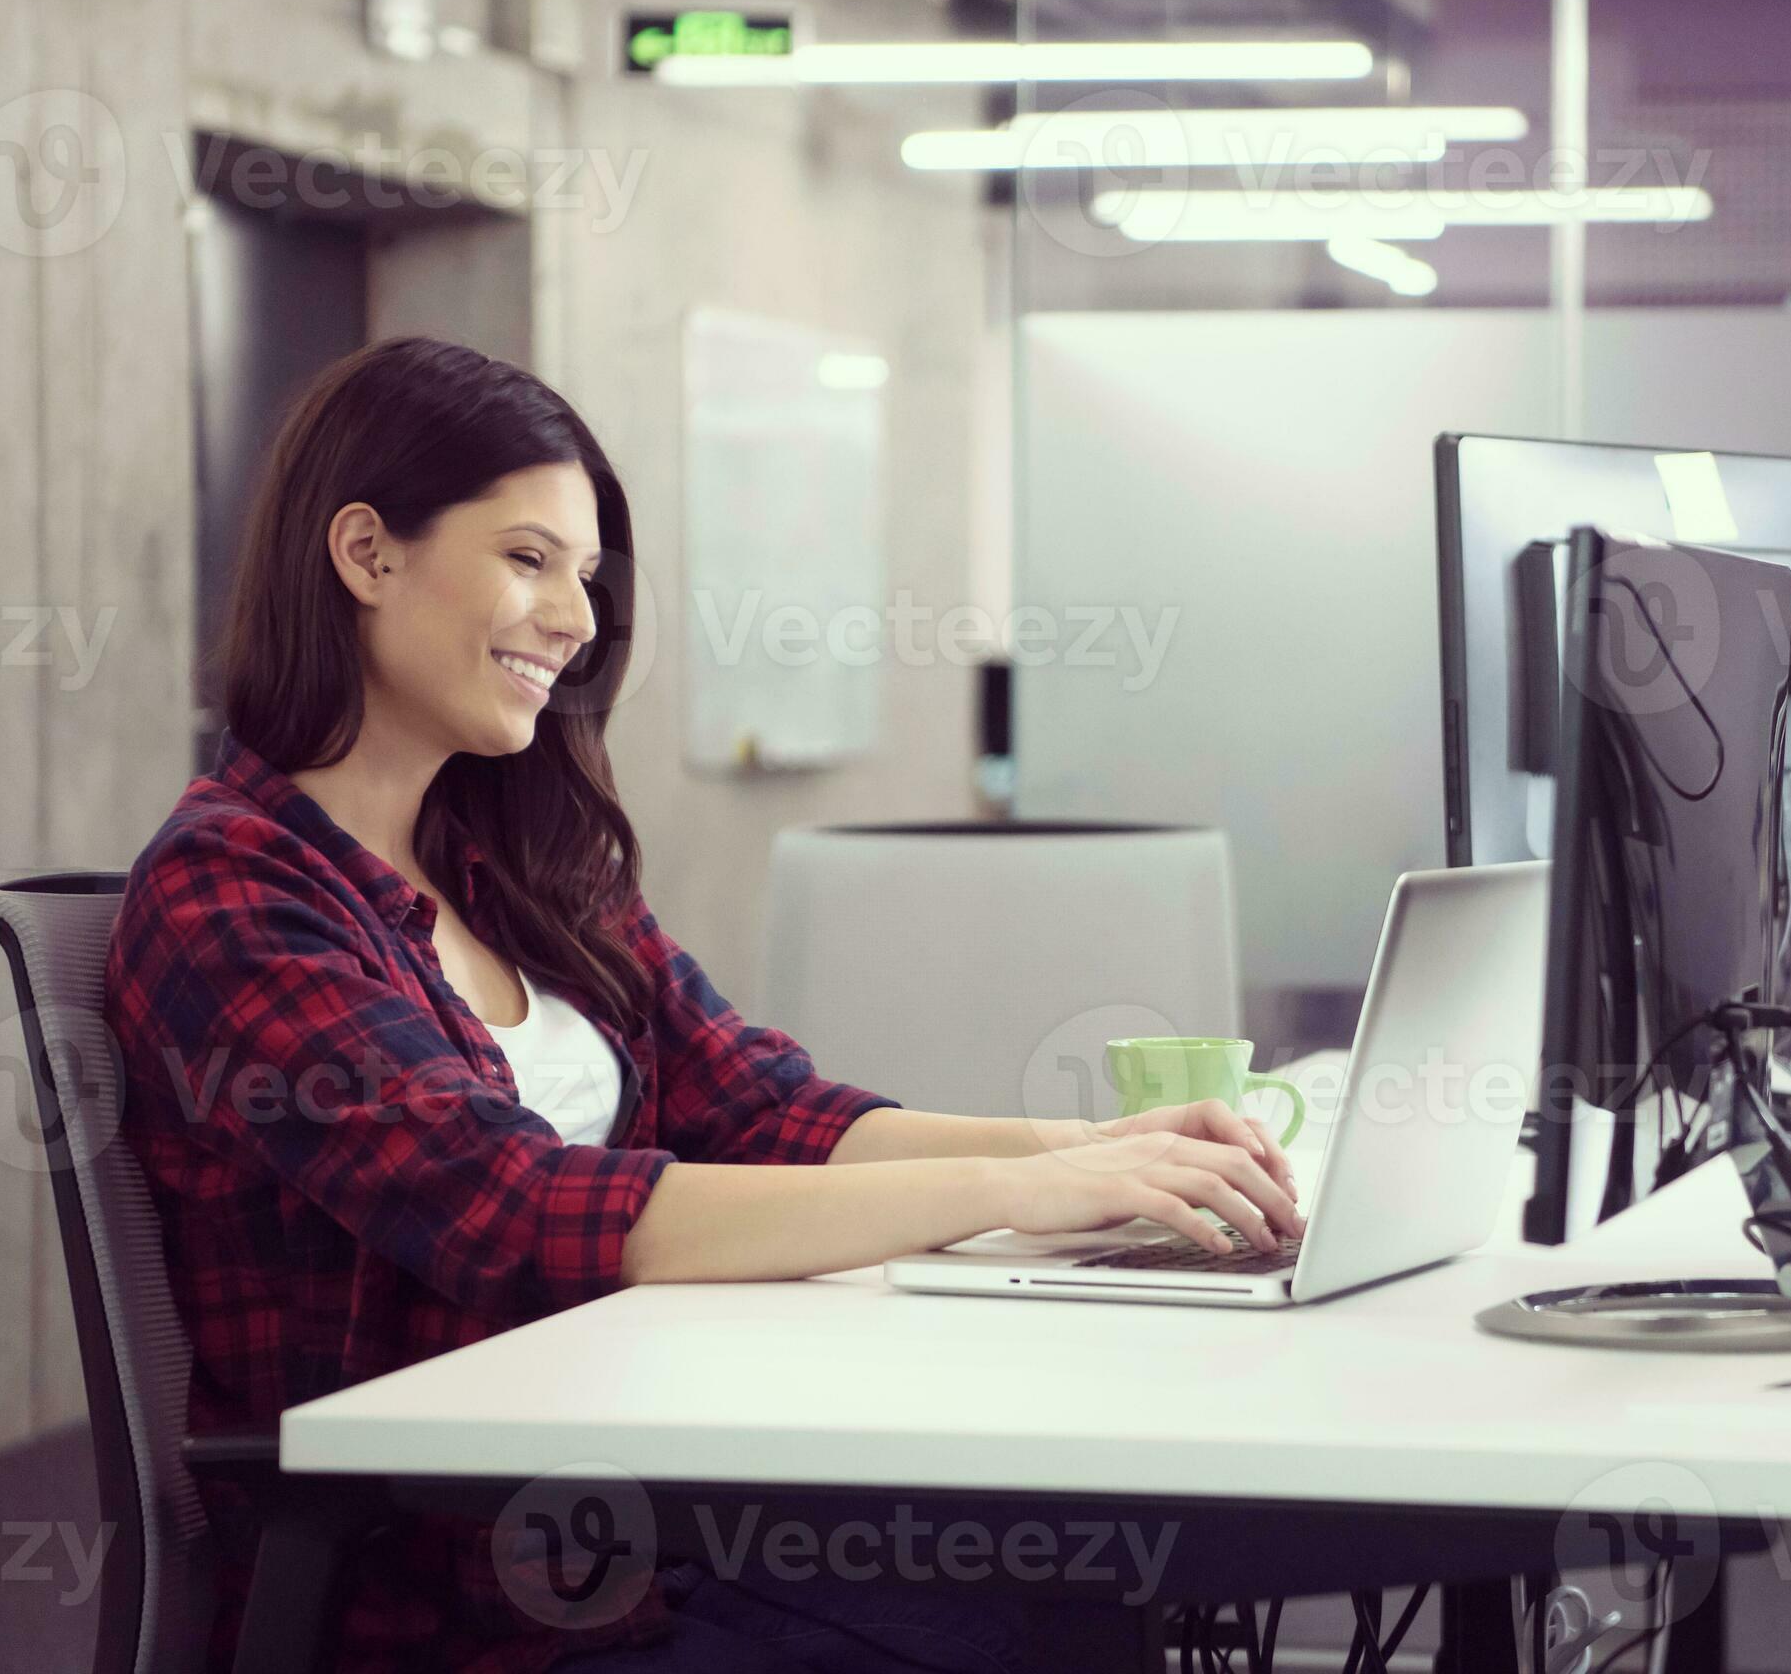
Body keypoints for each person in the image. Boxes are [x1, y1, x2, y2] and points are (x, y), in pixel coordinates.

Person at [104, 338, 1301, 1673]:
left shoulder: (515, 867)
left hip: (654, 1516)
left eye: (586, 576)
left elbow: (767, 1110)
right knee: (1044, 1616)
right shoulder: (232, 891)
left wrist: (1098, 1155)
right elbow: (519, 1208)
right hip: (465, 1601)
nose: (576, 618)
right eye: (529, 558)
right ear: (367, 554)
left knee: (1089, 1585)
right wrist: (1016, 1192)